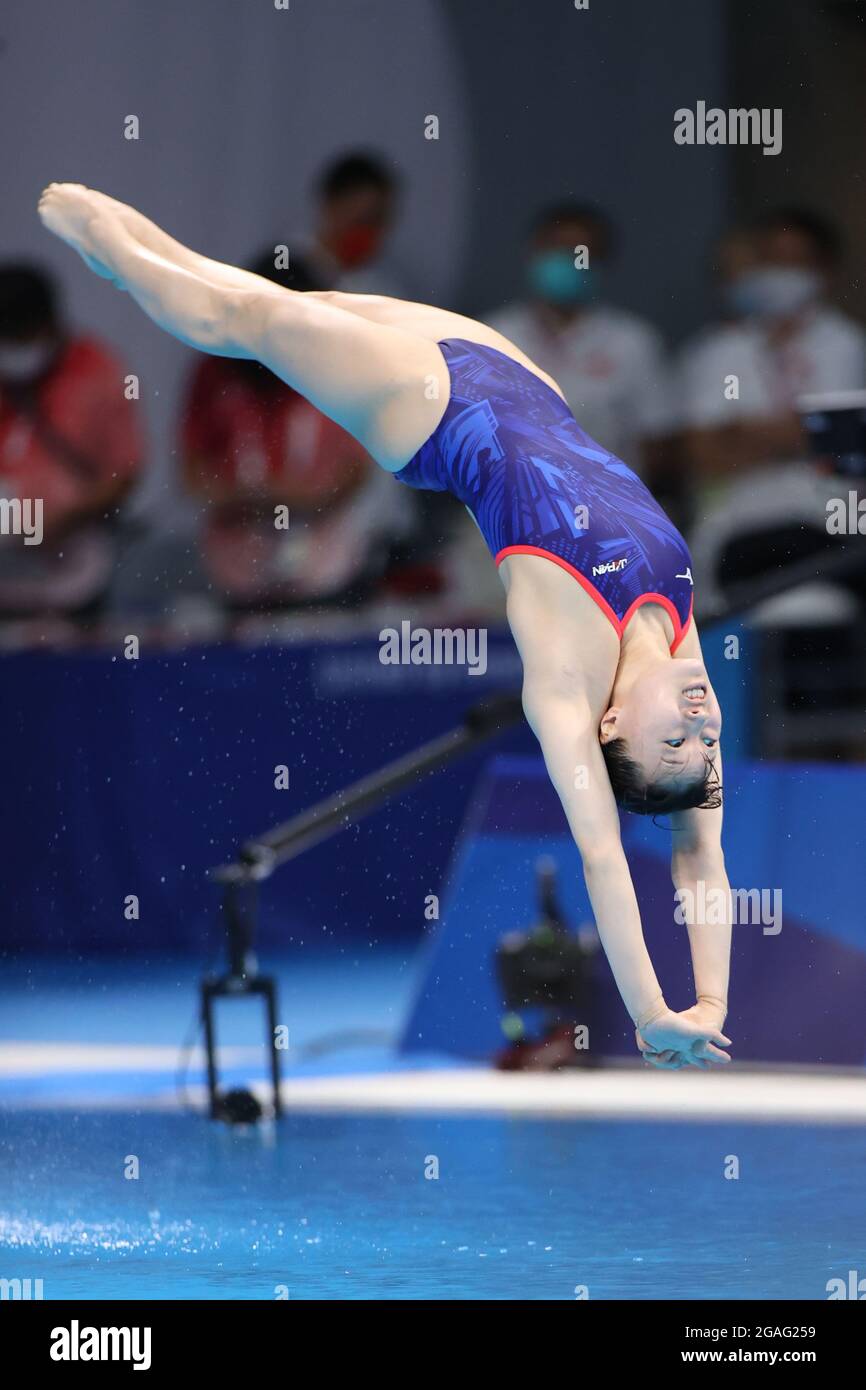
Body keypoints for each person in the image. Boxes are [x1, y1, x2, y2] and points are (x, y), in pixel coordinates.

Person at [38, 181, 733, 1070]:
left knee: (239, 319)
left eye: (680, 742)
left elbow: (603, 852)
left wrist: (651, 1012)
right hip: (517, 375)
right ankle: (127, 239)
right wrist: (710, 995)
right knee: (283, 302)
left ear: (610, 727)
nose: (704, 726)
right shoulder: (682, 660)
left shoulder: (564, 674)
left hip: (434, 412)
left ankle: (105, 244)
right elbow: (699, 858)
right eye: (705, 744)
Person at [181, 253, 407, 610]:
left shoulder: (338, 371)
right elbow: (192, 475)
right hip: (237, 565)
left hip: (325, 559)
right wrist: (245, 497)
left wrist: (284, 498)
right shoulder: (215, 372)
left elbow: (353, 472)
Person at [677, 208, 866, 612]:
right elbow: (703, 453)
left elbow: (837, 436)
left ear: (825, 271)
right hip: (739, 531)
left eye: (795, 262)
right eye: (772, 260)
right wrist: (798, 432)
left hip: (829, 527)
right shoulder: (718, 352)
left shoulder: (846, 345)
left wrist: (740, 433)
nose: (781, 273)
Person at [0, 263, 143, 623]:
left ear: (49, 325)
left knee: (72, 671)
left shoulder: (97, 368)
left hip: (75, 566)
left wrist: (61, 521)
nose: (13, 349)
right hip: (6, 560)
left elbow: (125, 472)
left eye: (21, 336)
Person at [486, 201, 673, 476]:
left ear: (602, 263)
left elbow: (657, 439)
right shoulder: (491, 335)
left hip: (605, 507)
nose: (569, 260)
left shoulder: (633, 341)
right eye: (556, 249)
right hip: (510, 506)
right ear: (533, 252)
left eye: (582, 252)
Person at [289, 150, 406, 298]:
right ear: (330, 206)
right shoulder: (281, 267)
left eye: (380, 221)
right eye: (362, 220)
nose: (369, 231)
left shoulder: (380, 288)